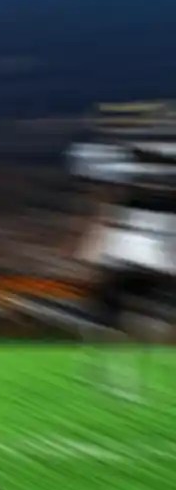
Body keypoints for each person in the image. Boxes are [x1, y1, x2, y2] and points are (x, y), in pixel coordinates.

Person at [68, 101, 176, 400]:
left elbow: (102, 197)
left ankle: (114, 366)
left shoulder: (138, 163)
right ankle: (114, 368)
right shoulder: (134, 165)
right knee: (122, 319)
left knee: (136, 320)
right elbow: (104, 199)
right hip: (136, 248)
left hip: (145, 249)